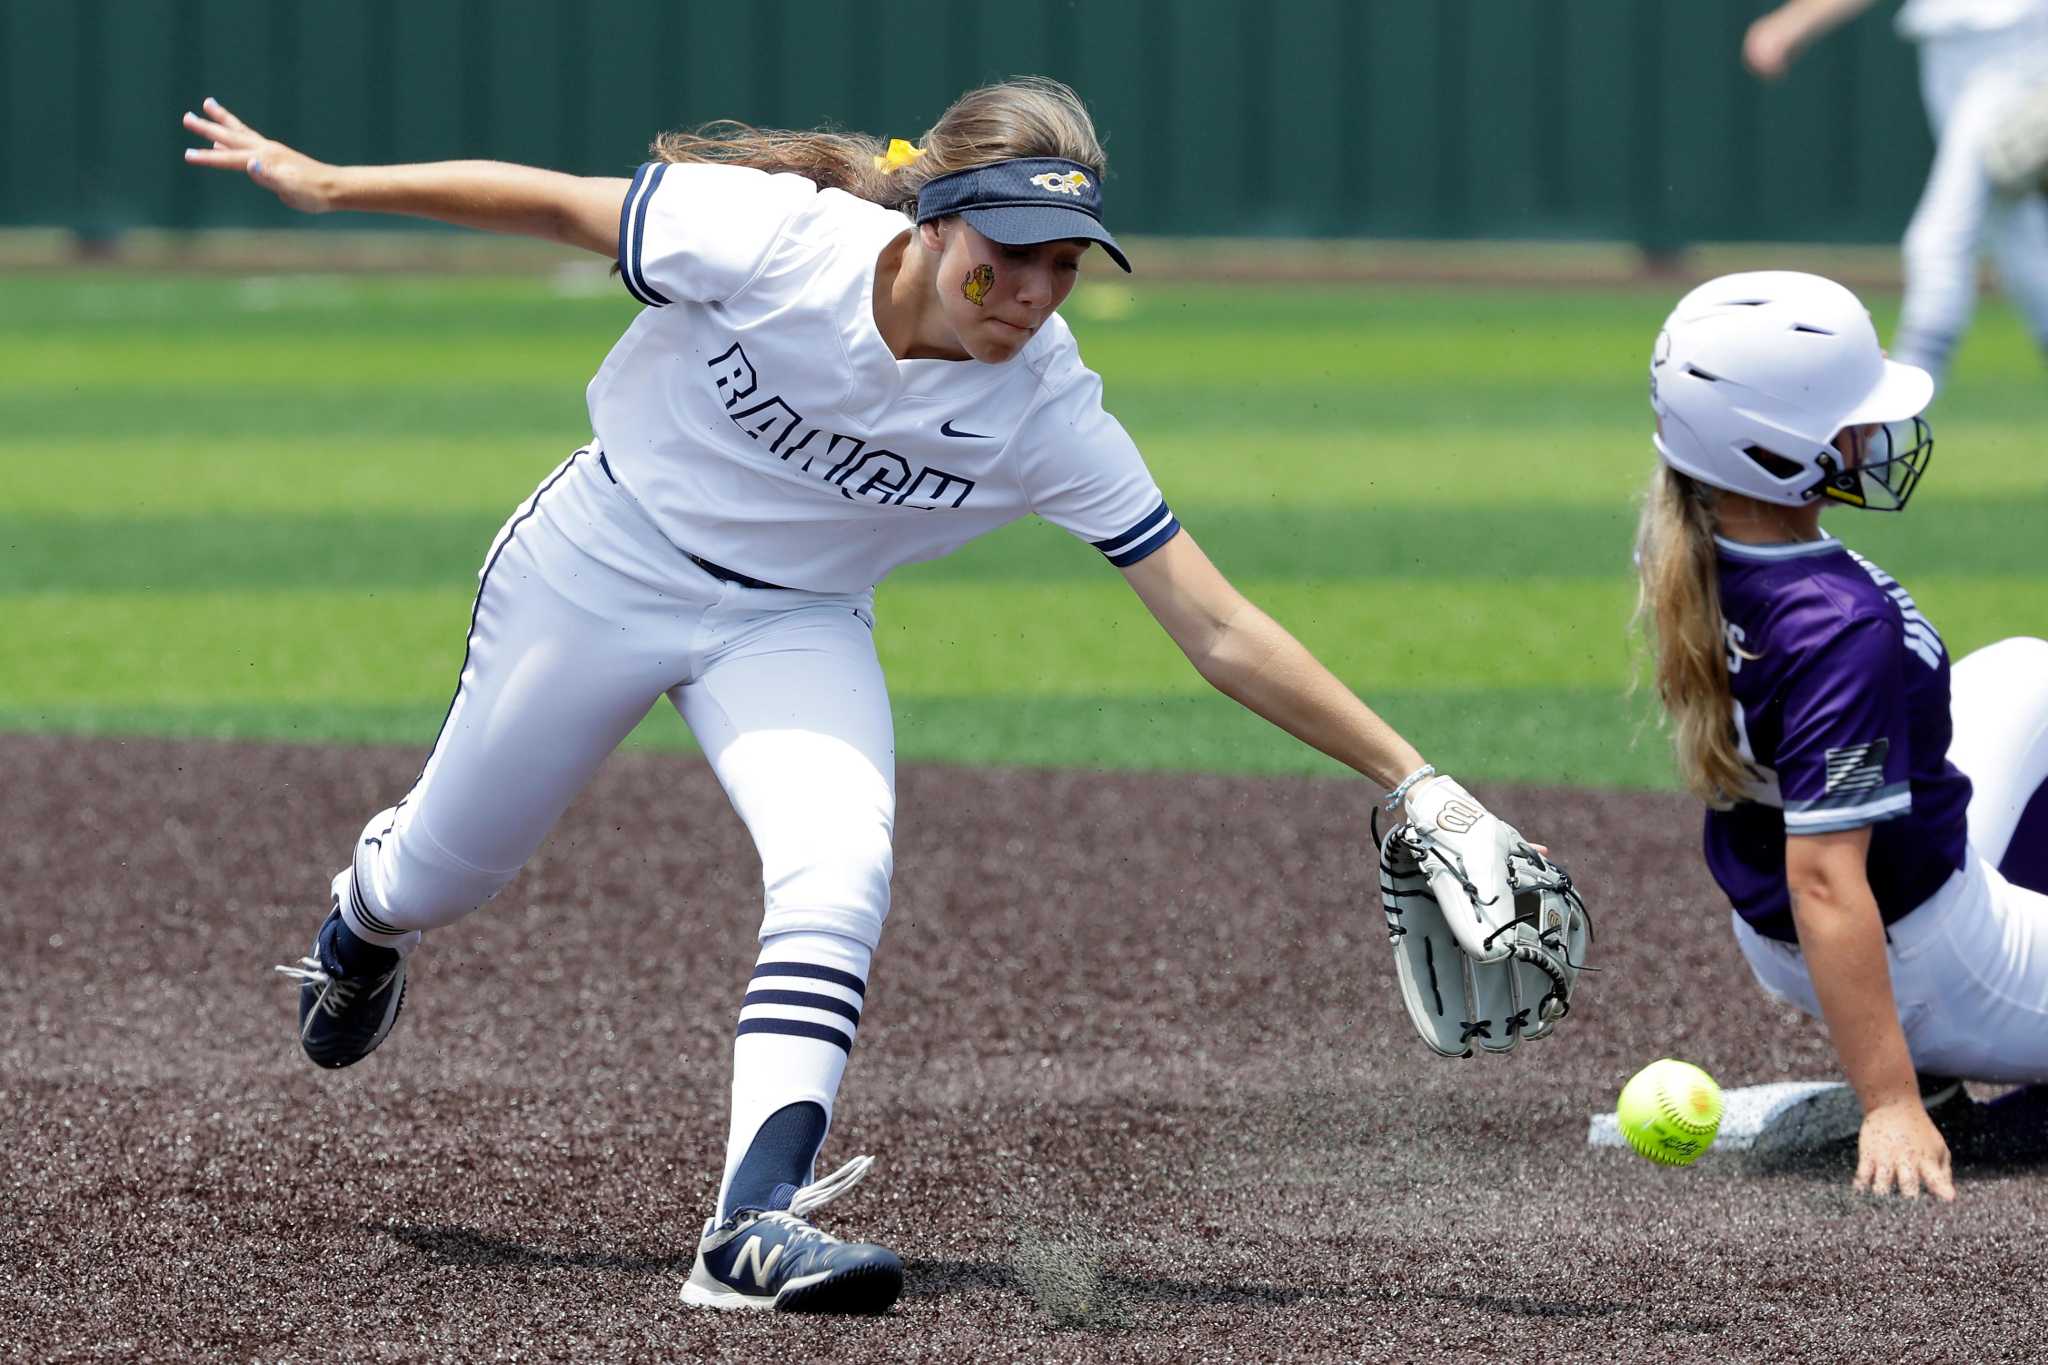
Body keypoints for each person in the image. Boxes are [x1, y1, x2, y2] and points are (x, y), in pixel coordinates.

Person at [181, 78, 1557, 1312]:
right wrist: (331, 186)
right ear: (929, 225)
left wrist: (1411, 775)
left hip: (794, 625)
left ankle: (751, 1224)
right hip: (603, 561)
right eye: (1004, 257)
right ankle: (364, 920)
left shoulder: (1048, 409)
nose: (1029, 293)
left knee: (841, 865)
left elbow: (1213, 622)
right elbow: (554, 205)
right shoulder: (778, 238)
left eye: (1063, 266)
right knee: (443, 873)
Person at [1636, 268, 2048, 1201]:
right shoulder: (1839, 626)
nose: (1873, 433)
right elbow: (1825, 881)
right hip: (1923, 952)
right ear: (1776, 452)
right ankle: (1979, 1073)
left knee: (2030, 663)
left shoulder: (1691, 535)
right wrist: (1891, 1099)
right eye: (1848, 417)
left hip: (1809, 919)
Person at [1743, 0, 2048, 389]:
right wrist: (1793, 22)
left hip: (2016, 48)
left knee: (1938, 243)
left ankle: (1888, 428)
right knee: (2024, 253)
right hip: (1949, 48)